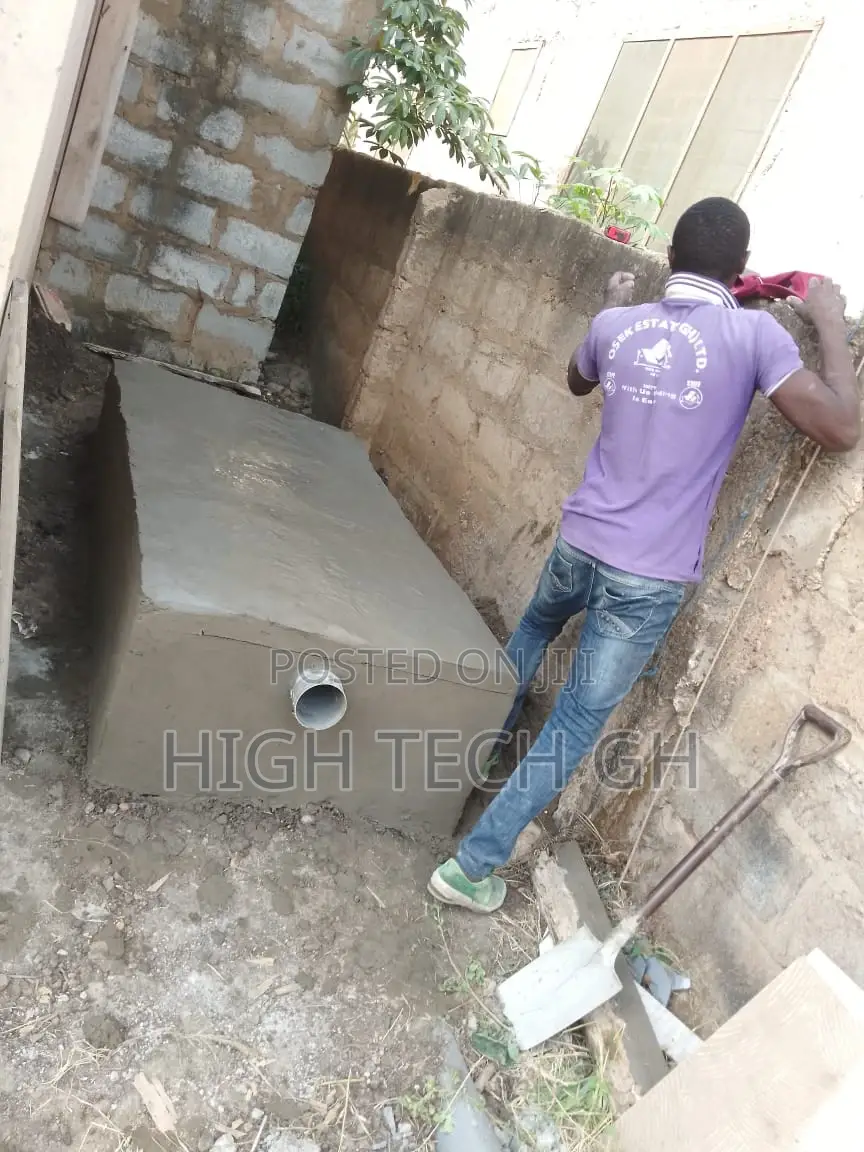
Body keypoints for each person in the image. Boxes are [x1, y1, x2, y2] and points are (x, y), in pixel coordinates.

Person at [428, 196, 861, 914]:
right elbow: (841, 429)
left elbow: (577, 377)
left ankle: (471, 753)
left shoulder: (617, 324)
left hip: (578, 541)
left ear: (667, 259)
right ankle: (471, 868)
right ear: (743, 271)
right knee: (572, 722)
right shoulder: (753, 336)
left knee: (535, 629)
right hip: (646, 577)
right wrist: (829, 324)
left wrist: (606, 305)